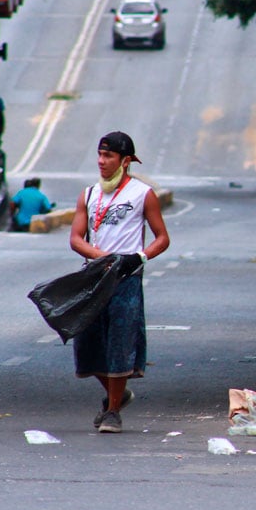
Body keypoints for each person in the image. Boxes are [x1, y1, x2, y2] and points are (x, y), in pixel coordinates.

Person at [69, 131, 170, 433]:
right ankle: (120, 394)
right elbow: (75, 238)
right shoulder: (88, 195)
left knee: (120, 342)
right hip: (94, 276)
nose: (102, 161)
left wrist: (138, 257)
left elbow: (162, 238)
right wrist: (101, 256)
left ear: (125, 161)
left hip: (125, 278)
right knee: (86, 343)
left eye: (109, 156)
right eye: (100, 155)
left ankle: (112, 411)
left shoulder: (142, 194)